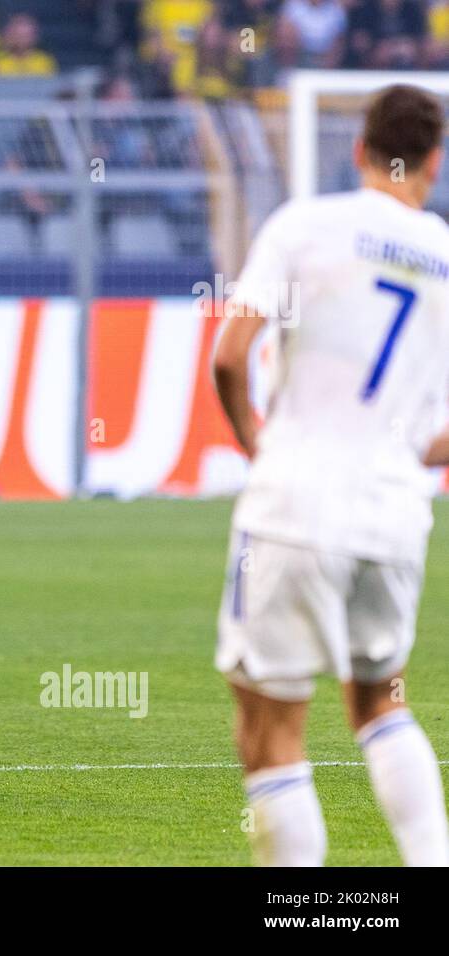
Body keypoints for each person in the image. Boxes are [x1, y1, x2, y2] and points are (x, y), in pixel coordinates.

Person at [213, 84, 449, 866]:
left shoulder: (306, 226)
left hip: (294, 504)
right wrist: (397, 455)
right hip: (394, 516)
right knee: (382, 702)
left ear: (358, 149)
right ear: (434, 162)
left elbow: (229, 355)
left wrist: (256, 440)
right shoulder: (444, 259)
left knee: (273, 735)